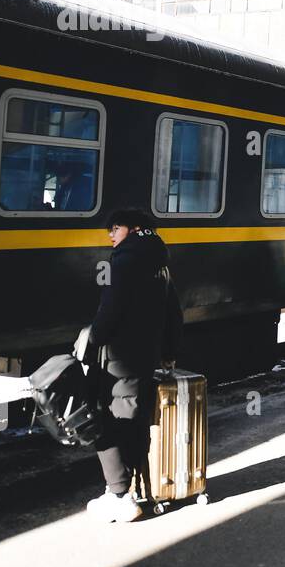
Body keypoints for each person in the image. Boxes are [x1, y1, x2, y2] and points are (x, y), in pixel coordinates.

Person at [82, 206, 182, 523]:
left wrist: (92, 339)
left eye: (116, 228)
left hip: (119, 358)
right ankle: (132, 492)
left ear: (134, 229)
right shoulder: (160, 263)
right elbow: (174, 314)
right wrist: (168, 352)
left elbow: (110, 310)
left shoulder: (124, 262)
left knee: (107, 421)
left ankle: (119, 495)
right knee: (134, 420)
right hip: (145, 356)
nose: (111, 234)